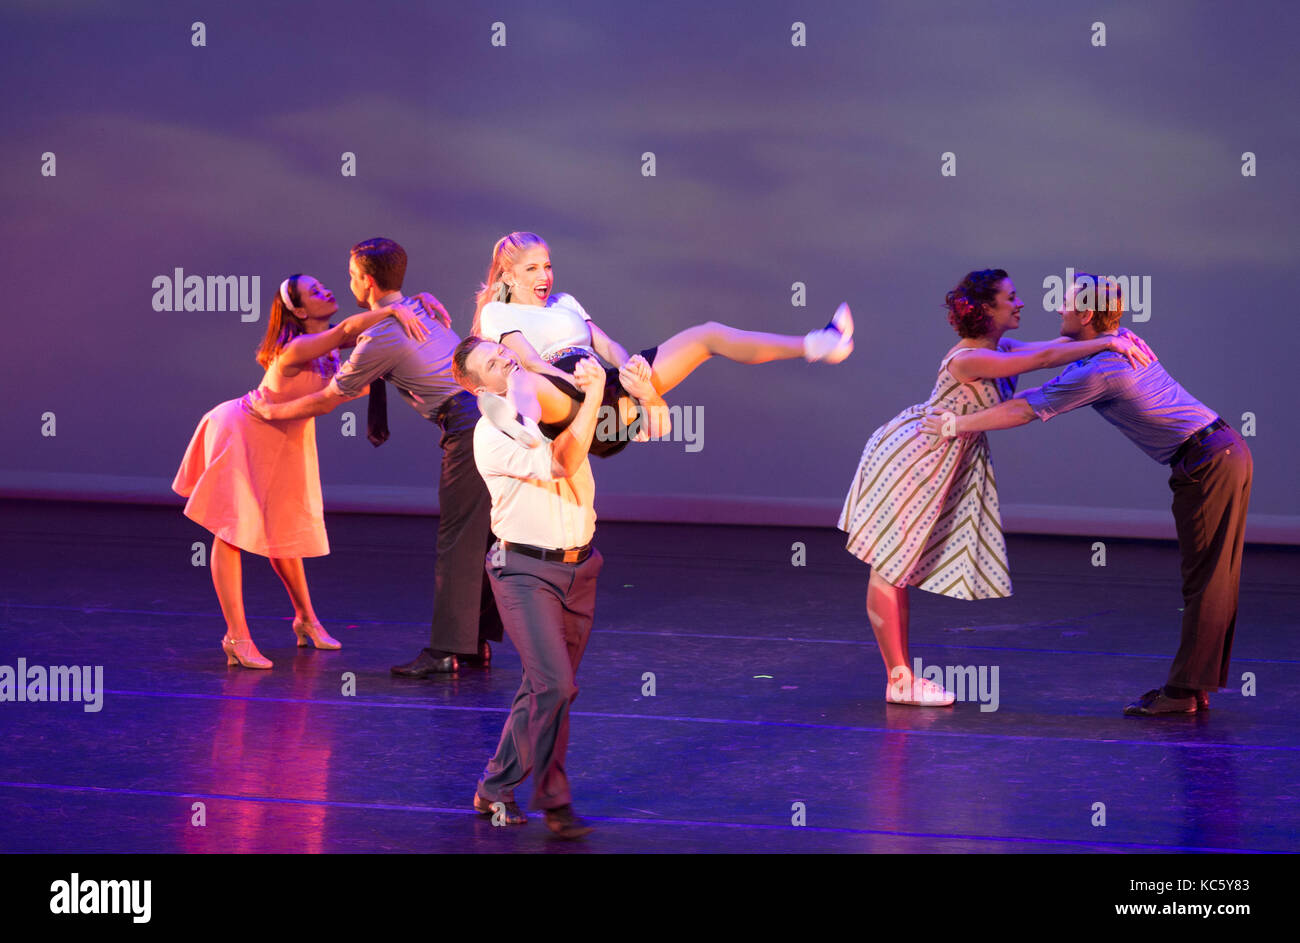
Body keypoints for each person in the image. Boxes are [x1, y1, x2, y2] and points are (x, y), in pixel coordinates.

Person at [923, 273, 1251, 716]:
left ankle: (1182, 693)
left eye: (1067, 303)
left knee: (1207, 580)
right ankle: (1192, 687)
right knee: (1209, 578)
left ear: (1088, 315)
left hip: (1210, 462)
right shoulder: (1113, 343)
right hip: (1218, 454)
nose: (1058, 308)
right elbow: (1039, 355)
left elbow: (1026, 405)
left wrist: (954, 424)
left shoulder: (1103, 370)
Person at [839, 269, 1151, 706]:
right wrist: (1106, 342)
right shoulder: (969, 358)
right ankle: (899, 679)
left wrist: (1116, 335)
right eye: (1011, 297)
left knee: (898, 567)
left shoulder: (998, 346)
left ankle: (901, 677)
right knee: (890, 565)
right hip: (917, 456)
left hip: (943, 456)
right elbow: (1041, 362)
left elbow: (1052, 348)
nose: (1021, 303)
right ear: (987, 308)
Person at [246, 238, 504, 677]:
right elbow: (354, 344)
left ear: (366, 280)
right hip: (490, 415)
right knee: (482, 538)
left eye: (350, 275)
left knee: (459, 540)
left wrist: (271, 411)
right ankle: (472, 643)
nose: (347, 282)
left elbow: (329, 398)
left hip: (468, 424)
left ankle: (447, 649)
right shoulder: (420, 309)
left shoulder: (384, 333)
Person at [174, 275, 428, 668]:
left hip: (285, 438)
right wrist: (394, 308)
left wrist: (417, 302)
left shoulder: (328, 346)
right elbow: (349, 329)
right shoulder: (296, 347)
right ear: (298, 310)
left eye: (324, 286)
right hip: (244, 432)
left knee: (286, 531)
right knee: (232, 532)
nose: (327, 291)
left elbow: (358, 340)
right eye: (314, 291)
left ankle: (306, 620)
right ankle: (236, 637)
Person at [469, 232, 854, 454]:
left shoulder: (565, 302)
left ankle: (819, 344)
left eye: (548, 265)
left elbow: (606, 345)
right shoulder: (497, 313)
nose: (545, 275)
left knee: (707, 334)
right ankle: (519, 425)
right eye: (532, 268)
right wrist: (586, 390)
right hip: (566, 395)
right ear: (509, 274)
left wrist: (629, 369)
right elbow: (534, 362)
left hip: (603, 383)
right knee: (526, 379)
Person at [452, 337, 607, 839]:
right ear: (475, 386)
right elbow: (562, 460)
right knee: (556, 686)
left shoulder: (554, 403)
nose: (508, 361)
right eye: (493, 364)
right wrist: (596, 396)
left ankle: (495, 785)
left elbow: (618, 433)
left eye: (505, 353)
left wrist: (632, 394)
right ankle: (556, 804)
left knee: (541, 689)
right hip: (524, 572)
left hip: (580, 569)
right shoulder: (492, 435)